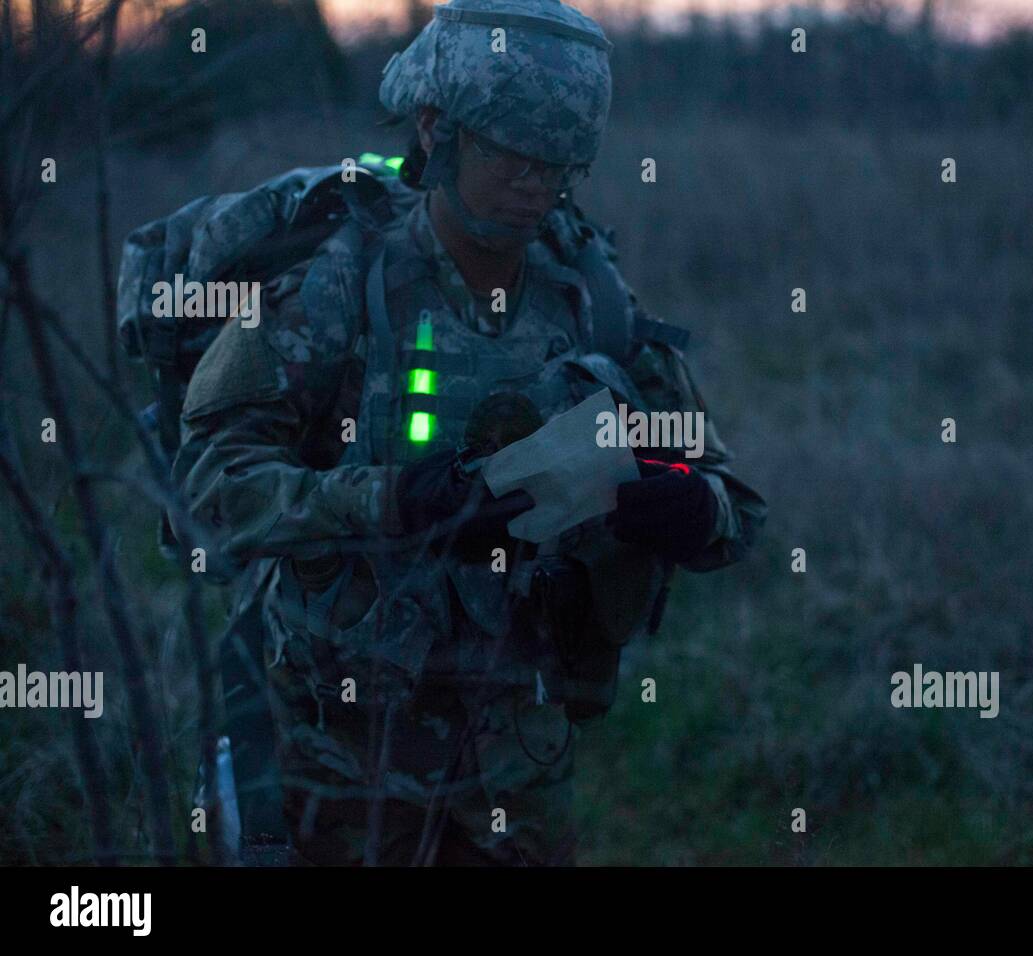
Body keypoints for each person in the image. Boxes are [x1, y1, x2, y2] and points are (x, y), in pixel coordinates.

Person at [174, 0, 765, 866]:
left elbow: (728, 497)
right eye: (512, 155)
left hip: (514, 757)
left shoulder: (590, 300)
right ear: (436, 131)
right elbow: (207, 489)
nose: (536, 184)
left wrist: (684, 506)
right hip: (339, 756)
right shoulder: (341, 288)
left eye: (560, 165)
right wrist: (395, 499)